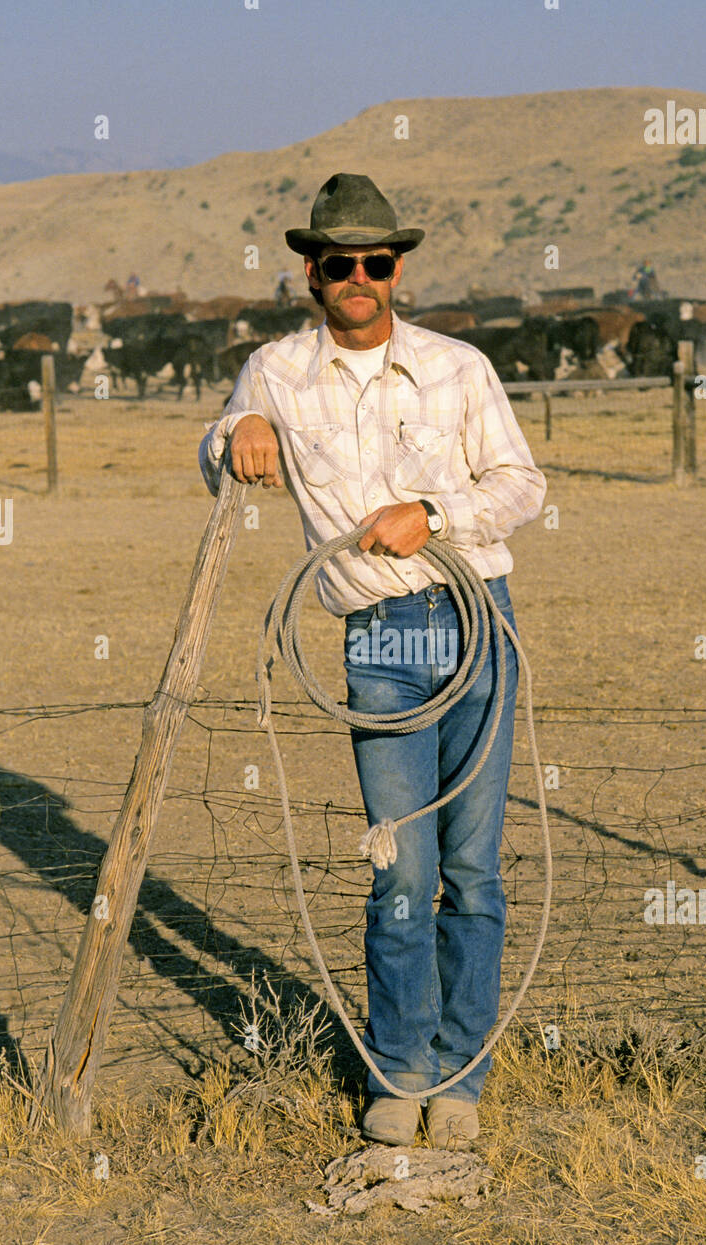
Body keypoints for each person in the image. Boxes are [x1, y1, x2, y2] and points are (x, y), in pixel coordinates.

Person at [198, 173, 546, 1150]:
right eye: (339, 262)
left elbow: (522, 483)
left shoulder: (458, 367)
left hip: (477, 615)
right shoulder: (274, 371)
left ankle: (461, 1078)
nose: (359, 277)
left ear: (398, 268)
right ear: (310, 271)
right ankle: (402, 1070)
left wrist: (430, 515)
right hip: (380, 643)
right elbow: (213, 448)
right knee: (400, 868)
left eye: (376, 261)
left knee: (473, 869)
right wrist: (242, 428)